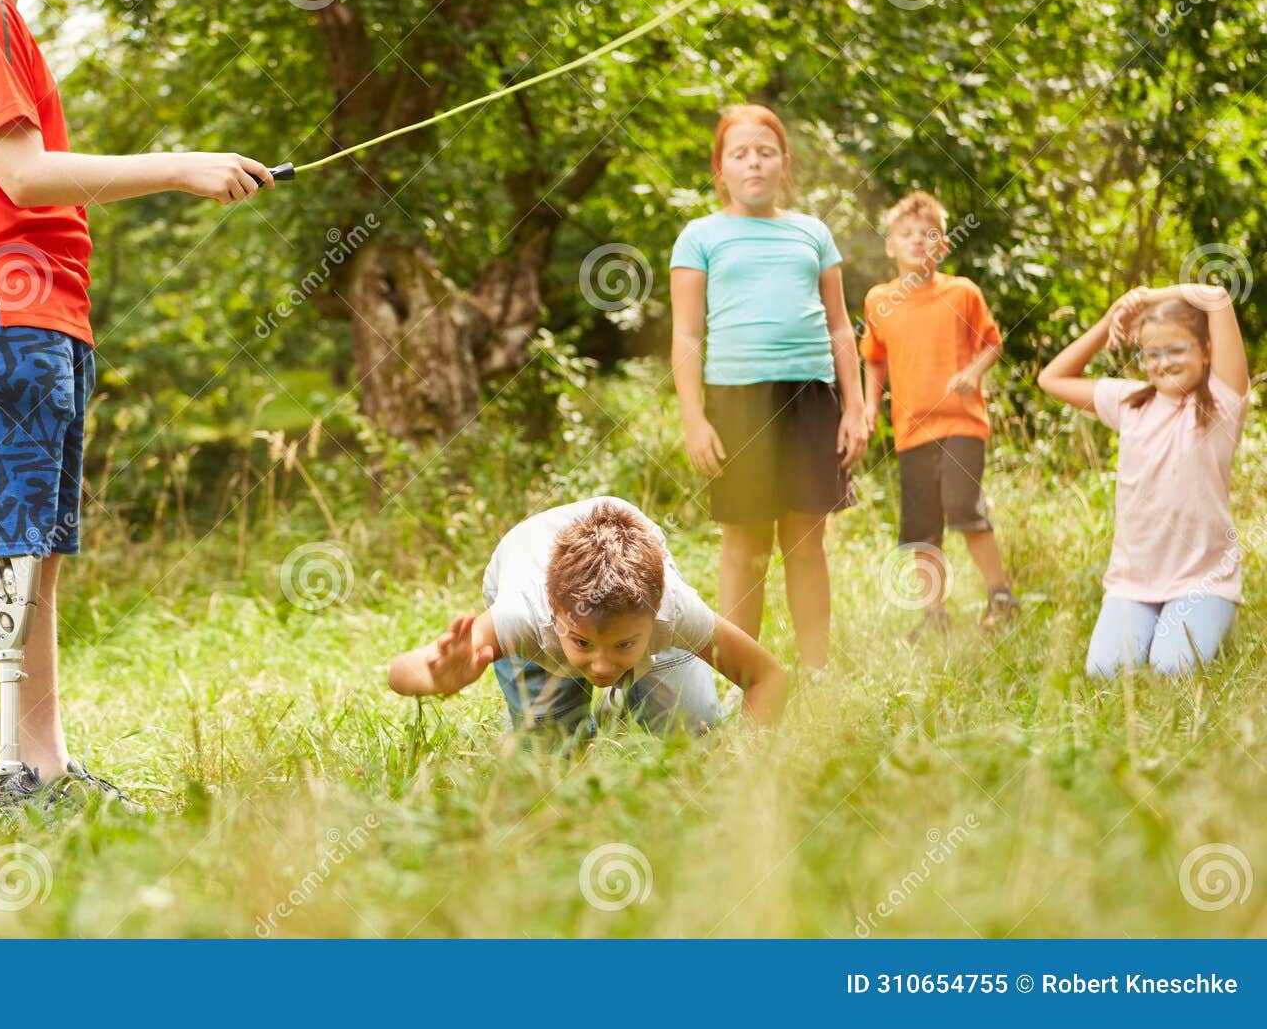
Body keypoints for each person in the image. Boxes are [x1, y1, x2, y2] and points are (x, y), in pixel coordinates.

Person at [0, 0, 276, 817]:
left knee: (44, 550)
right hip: (2, 310)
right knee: (19, 547)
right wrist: (181, 168)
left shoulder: (4, 23)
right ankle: (11, 776)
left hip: (47, 315)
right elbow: (22, 176)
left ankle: (47, 768)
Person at [669, 104, 866, 672]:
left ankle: (816, 670)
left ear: (784, 163)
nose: (753, 163)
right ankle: (740, 679)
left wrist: (853, 407)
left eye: (765, 152)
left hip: (811, 398)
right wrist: (694, 417)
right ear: (720, 169)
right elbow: (686, 333)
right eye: (739, 154)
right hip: (737, 401)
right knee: (745, 547)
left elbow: (839, 325)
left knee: (806, 543)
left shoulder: (813, 233)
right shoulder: (700, 236)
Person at [387, 498, 788, 735]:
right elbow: (399, 672)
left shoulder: (673, 609)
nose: (600, 665)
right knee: (550, 758)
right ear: (555, 611)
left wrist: (747, 762)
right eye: (582, 643)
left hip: (625, 546)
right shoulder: (521, 613)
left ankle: (626, 695)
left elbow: (768, 677)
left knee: (694, 732)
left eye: (623, 644)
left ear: (654, 617)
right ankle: (607, 682)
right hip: (523, 555)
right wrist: (435, 678)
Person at [1038, 284, 1250, 677]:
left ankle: (1218, 621)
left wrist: (1148, 296)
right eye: (1152, 354)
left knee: (1171, 668)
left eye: (1176, 349)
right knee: (1104, 672)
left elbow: (1217, 296)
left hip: (1202, 581)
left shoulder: (1223, 402)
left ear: (1205, 352)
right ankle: (1167, 623)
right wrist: (1109, 320)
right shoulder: (1130, 401)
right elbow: (1051, 379)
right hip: (1133, 583)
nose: (1164, 362)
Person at [860, 191, 1019, 637]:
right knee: (921, 524)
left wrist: (973, 371)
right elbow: (874, 358)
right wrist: (871, 408)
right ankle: (934, 617)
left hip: (961, 422)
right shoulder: (879, 301)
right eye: (906, 234)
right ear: (890, 245)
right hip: (912, 430)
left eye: (928, 235)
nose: (917, 242)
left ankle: (1001, 597)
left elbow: (993, 342)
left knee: (961, 505)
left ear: (943, 246)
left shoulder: (962, 292)